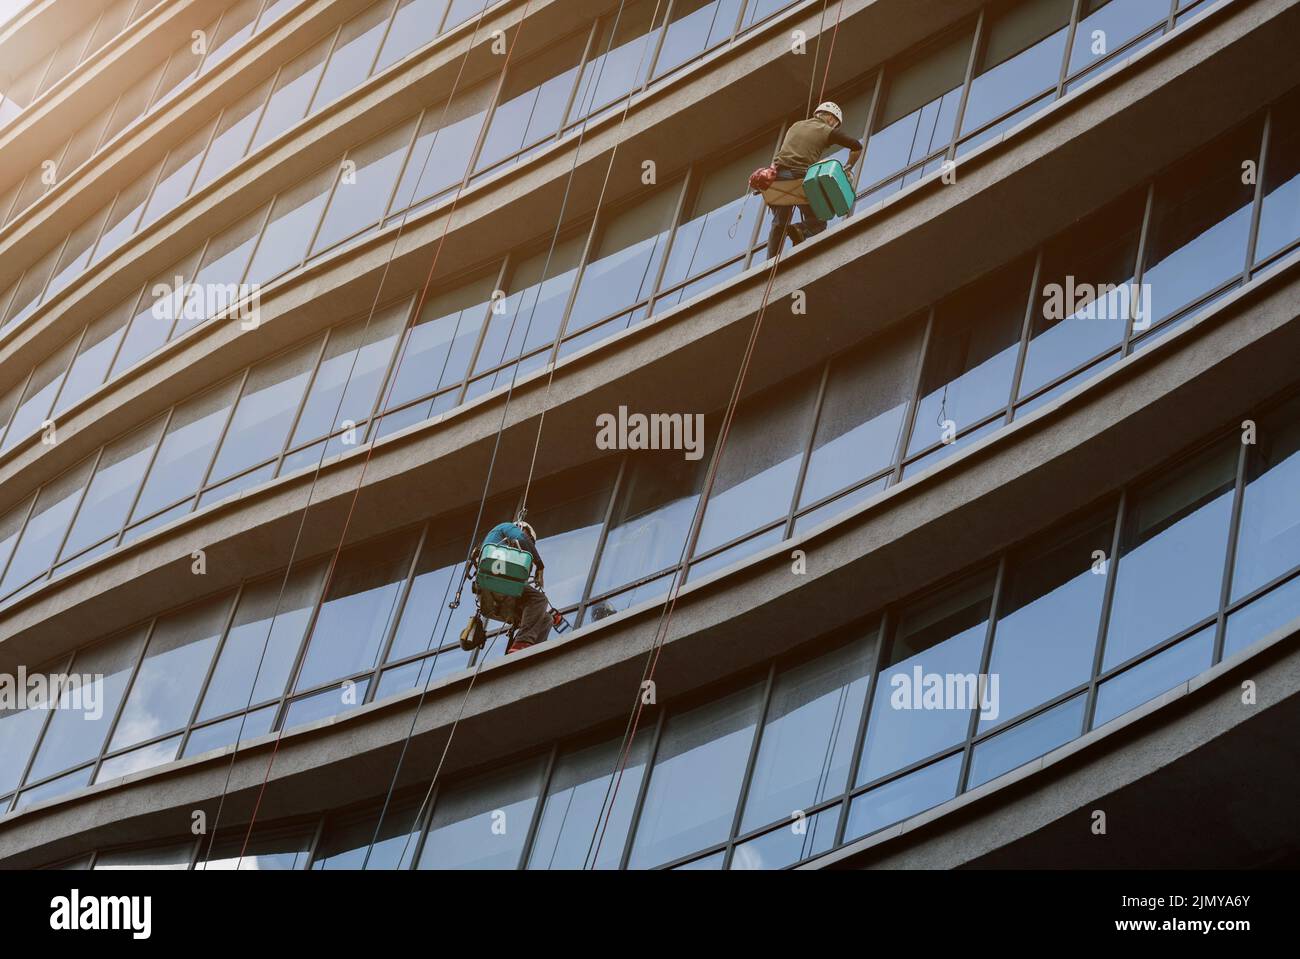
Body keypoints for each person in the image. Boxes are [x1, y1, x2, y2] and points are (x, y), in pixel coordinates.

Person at [764, 101, 863, 259]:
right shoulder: (826, 130)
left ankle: (769, 263)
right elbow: (856, 146)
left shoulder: (795, 125)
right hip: (798, 177)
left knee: (778, 224)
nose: (834, 126)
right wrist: (848, 166)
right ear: (831, 118)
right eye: (835, 123)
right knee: (819, 222)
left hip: (777, 178)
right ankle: (800, 229)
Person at [481, 519, 552, 654]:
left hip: (501, 597)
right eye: (529, 539)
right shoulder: (505, 528)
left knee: (546, 618)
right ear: (520, 527)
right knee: (539, 599)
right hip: (496, 578)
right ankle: (522, 643)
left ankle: (530, 651)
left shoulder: (515, 558)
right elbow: (521, 538)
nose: (529, 544)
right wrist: (540, 566)